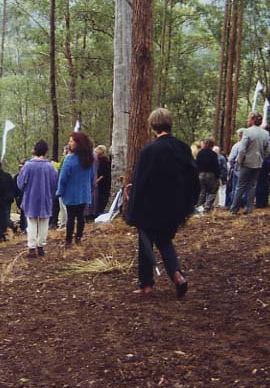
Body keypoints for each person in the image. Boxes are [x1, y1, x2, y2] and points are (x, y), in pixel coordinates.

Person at [125, 108, 197, 298]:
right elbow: (192, 177)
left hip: (151, 207)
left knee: (145, 242)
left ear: (152, 126)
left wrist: (132, 207)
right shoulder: (183, 148)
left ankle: (146, 284)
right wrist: (187, 203)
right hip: (174, 206)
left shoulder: (149, 151)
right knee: (164, 240)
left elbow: (141, 181)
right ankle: (177, 276)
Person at [17, 140, 59, 257]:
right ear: (46, 151)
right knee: (44, 222)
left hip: (31, 198)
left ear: (35, 150)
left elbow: (20, 183)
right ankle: (41, 246)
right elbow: (55, 183)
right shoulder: (50, 166)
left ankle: (31, 248)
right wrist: (51, 194)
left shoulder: (28, 165)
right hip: (45, 198)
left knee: (31, 223)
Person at [57, 131, 96, 246]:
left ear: (78, 143)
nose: (69, 143)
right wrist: (90, 188)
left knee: (70, 217)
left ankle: (68, 240)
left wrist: (59, 191)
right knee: (80, 216)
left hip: (71, 193)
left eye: (71, 141)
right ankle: (78, 238)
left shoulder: (69, 159)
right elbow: (92, 176)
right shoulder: (89, 158)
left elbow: (63, 177)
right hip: (84, 193)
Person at [229, 112, 270, 215]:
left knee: (240, 186)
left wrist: (239, 161)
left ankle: (234, 209)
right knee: (252, 186)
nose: (247, 120)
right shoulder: (265, 133)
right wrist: (261, 158)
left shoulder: (247, 132)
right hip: (257, 163)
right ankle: (249, 208)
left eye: (249, 118)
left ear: (252, 120)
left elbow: (242, 149)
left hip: (246, 163)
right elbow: (268, 150)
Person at [194, 138, 219, 212]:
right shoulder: (213, 154)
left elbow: (197, 164)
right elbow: (216, 166)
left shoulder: (200, 153)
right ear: (212, 145)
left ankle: (199, 207)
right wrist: (217, 176)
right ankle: (207, 206)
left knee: (202, 191)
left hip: (201, 174)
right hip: (211, 175)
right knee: (213, 191)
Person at [255, 125, 270, 208]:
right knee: (266, 183)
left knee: (260, 182)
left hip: (263, 163)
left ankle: (259, 202)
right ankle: (264, 201)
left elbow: (263, 151)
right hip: (269, 163)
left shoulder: (266, 139)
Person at [226, 129, 244, 209]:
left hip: (237, 169)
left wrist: (232, 165)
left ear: (240, 136)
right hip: (249, 169)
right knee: (247, 188)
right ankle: (244, 204)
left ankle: (234, 205)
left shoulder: (237, 145)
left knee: (235, 188)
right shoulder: (251, 145)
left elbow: (231, 158)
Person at [94, 145, 111, 215]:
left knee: (102, 197)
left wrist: (97, 180)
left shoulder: (104, 160)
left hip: (103, 182)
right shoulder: (98, 160)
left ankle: (100, 212)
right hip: (99, 181)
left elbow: (103, 173)